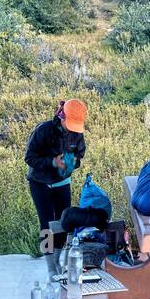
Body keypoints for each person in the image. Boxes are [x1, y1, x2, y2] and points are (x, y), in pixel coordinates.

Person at [25, 98, 87, 247]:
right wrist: (53, 162)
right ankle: (49, 261)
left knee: (63, 220)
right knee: (46, 223)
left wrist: (72, 163)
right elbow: (30, 158)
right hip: (40, 182)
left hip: (63, 181)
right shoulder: (43, 131)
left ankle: (60, 257)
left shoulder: (77, 134)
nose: (73, 129)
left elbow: (80, 155)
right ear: (62, 116)